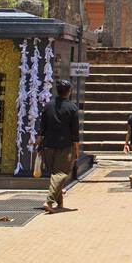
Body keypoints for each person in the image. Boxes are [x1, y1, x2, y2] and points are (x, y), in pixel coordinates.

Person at [36, 79, 81, 213]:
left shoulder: (48, 106)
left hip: (48, 145)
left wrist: (39, 143)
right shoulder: (72, 108)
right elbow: (75, 131)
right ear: (69, 91)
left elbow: (42, 127)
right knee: (61, 173)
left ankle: (60, 202)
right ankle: (49, 201)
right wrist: (76, 148)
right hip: (65, 145)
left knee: (54, 173)